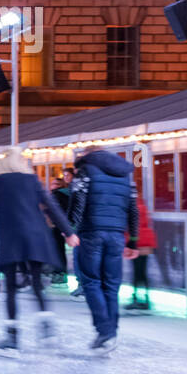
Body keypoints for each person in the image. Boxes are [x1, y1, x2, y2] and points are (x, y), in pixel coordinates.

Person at [0, 153, 77, 353]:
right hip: (35, 237)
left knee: (10, 287)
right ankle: (47, 328)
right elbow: (51, 207)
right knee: (37, 285)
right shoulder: (32, 180)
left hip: (11, 237)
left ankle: (12, 336)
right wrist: (68, 232)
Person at [68, 150, 139, 353]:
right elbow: (133, 209)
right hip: (116, 236)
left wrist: (70, 230)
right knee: (111, 284)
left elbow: (78, 203)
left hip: (91, 233)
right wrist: (133, 241)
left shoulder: (85, 171)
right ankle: (111, 331)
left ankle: (104, 330)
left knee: (91, 281)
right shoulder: (125, 176)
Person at [128, 196, 156, 311]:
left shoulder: (133, 209)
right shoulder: (142, 207)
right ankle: (146, 299)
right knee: (143, 272)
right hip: (146, 241)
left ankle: (136, 299)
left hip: (137, 242)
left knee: (136, 272)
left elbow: (132, 227)